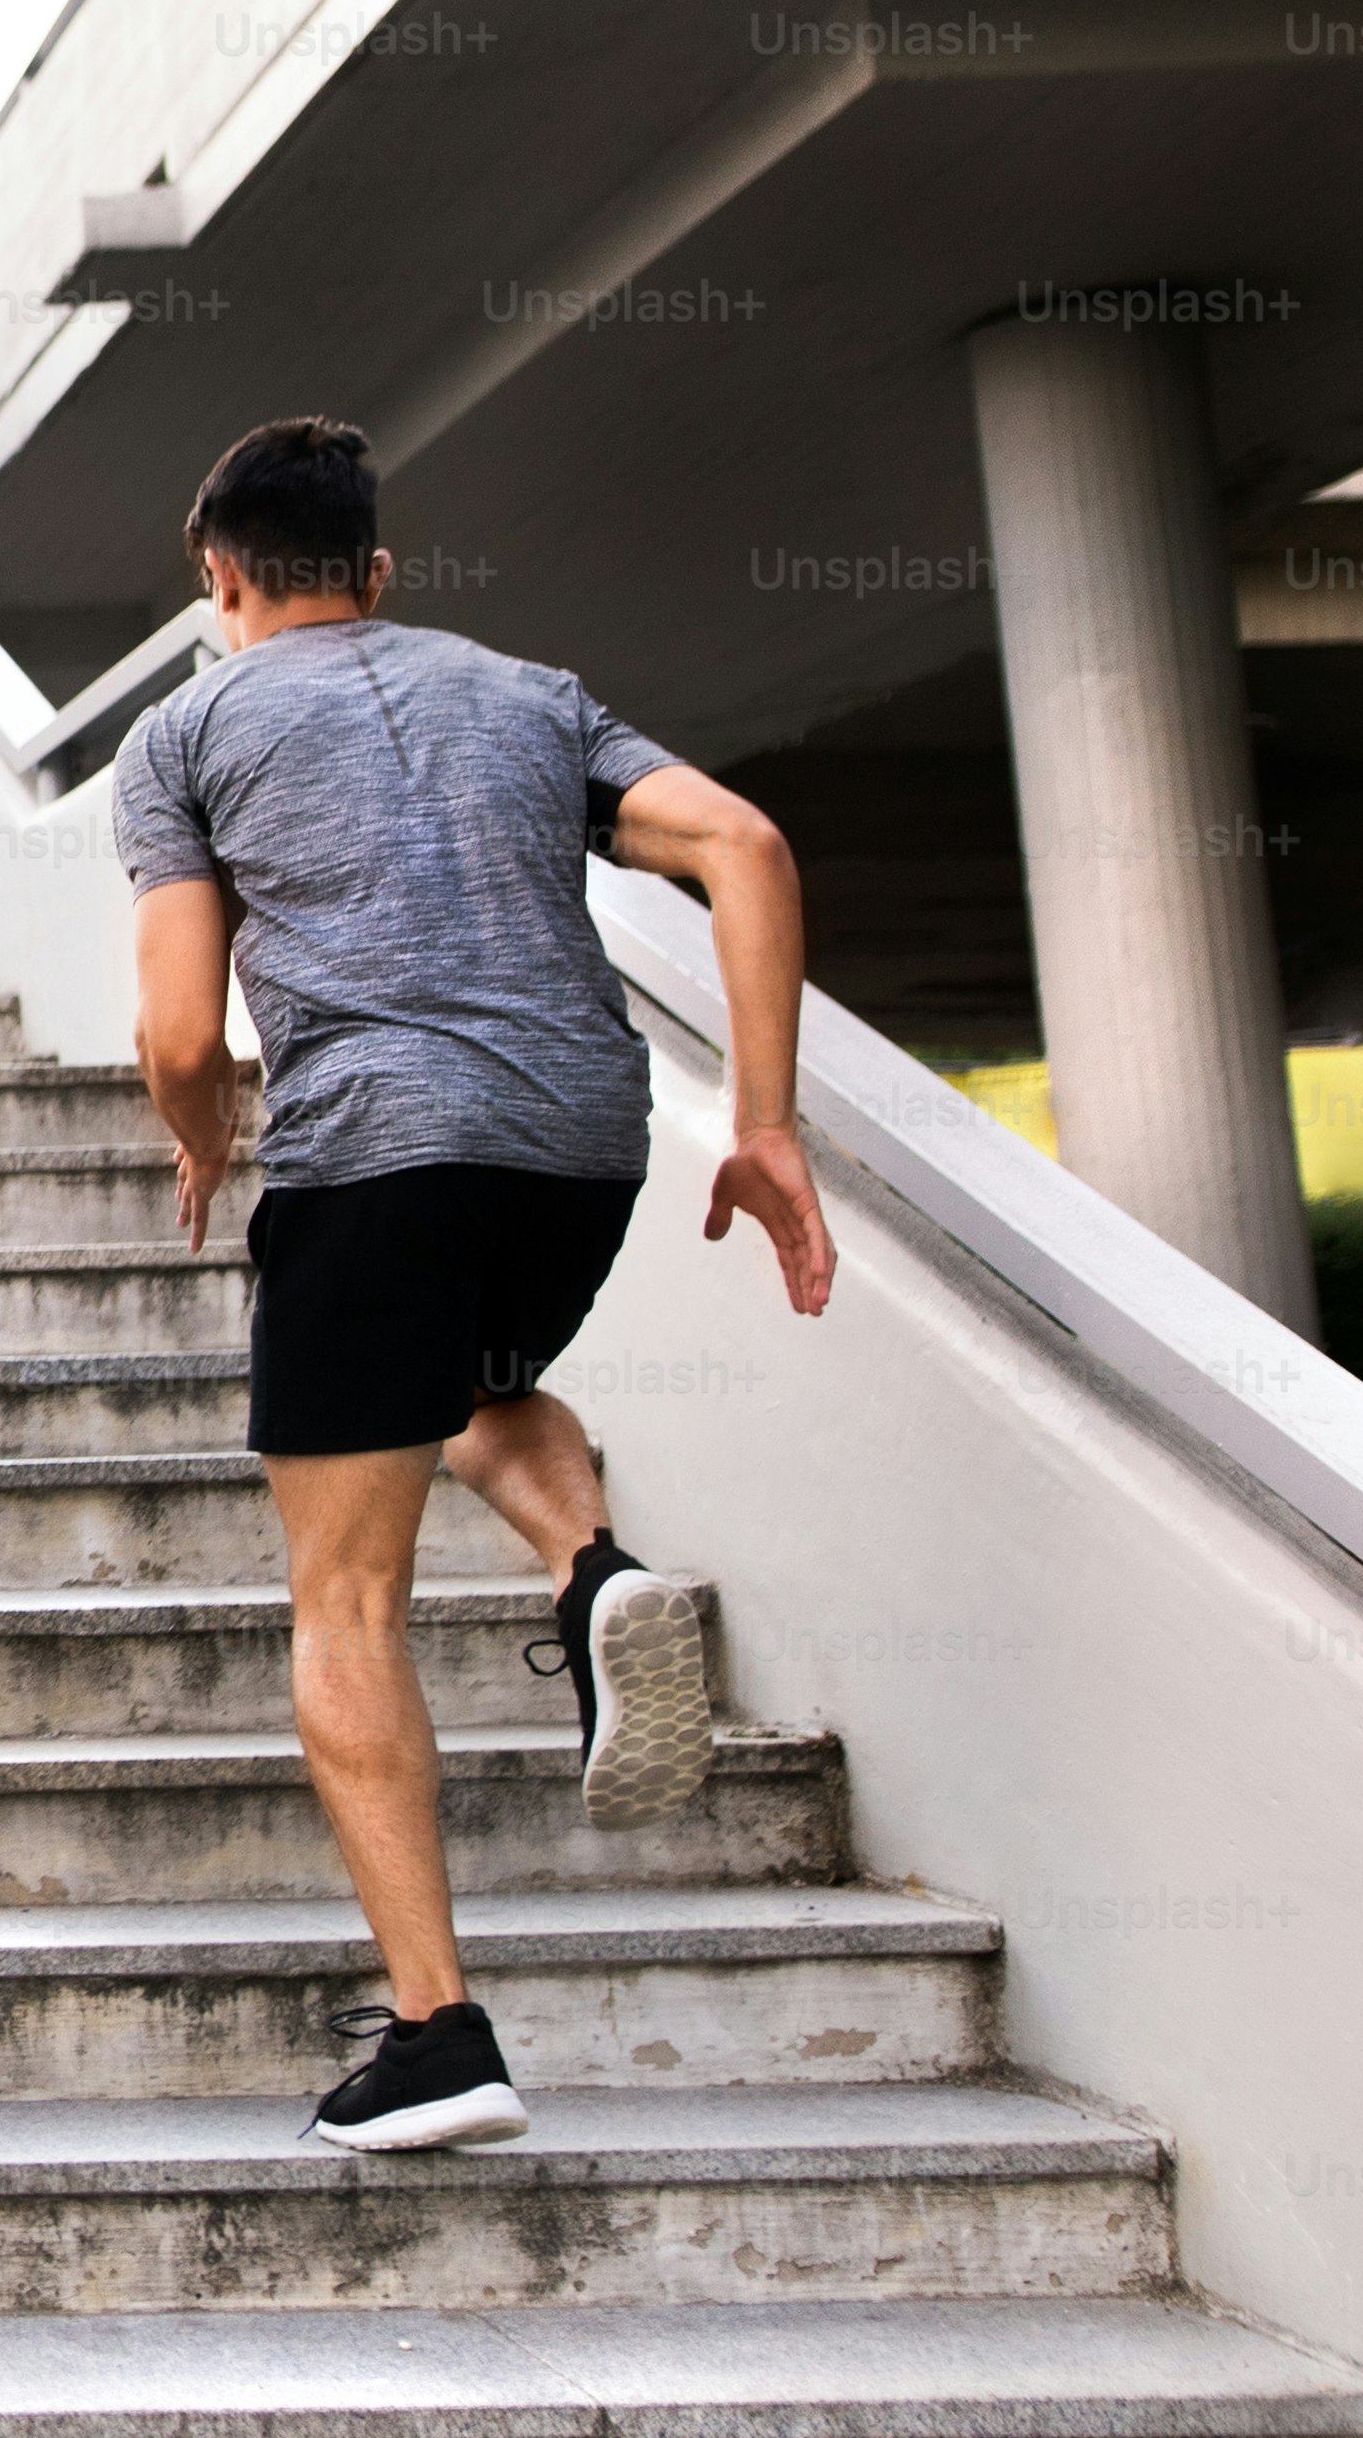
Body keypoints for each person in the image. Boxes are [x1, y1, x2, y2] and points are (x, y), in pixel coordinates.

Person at [116, 414, 835, 2154]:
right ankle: (593, 1571)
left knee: (343, 1601)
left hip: (375, 1154)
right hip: (581, 1147)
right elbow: (743, 843)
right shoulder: (531, 692)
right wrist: (766, 1124)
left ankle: (439, 2033)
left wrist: (204, 1134)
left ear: (219, 578)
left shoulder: (186, 731)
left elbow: (175, 1024)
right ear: (377, 570)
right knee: (468, 1390)